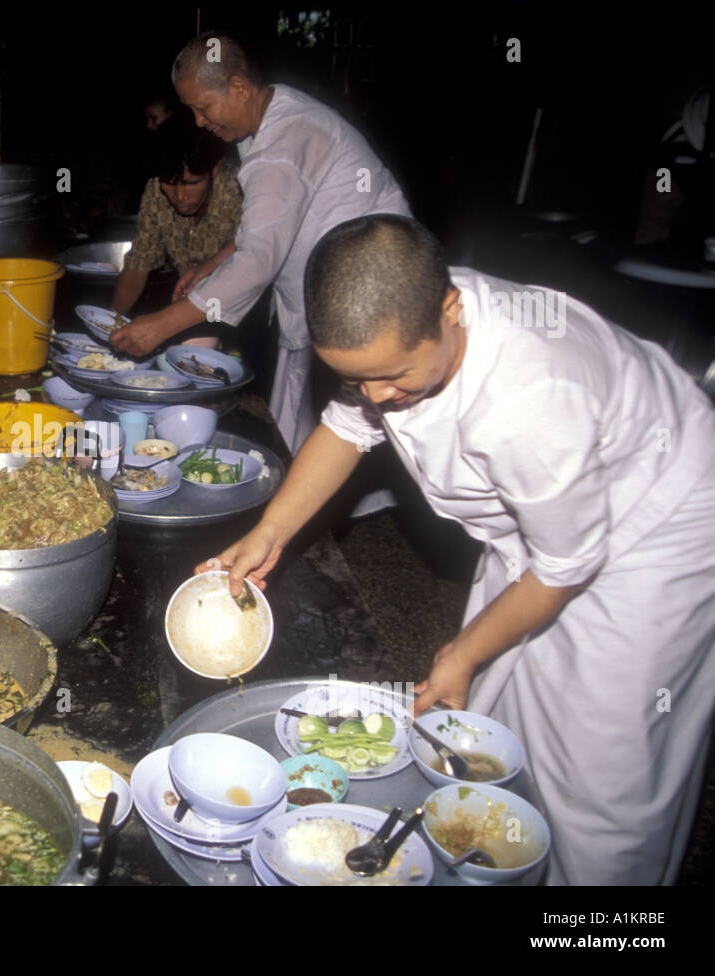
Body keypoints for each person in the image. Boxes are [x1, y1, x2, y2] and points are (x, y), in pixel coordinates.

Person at [203, 214, 715, 885]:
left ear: (451, 310)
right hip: (552, 519)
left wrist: (459, 651)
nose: (379, 398)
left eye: (395, 377)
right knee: (495, 724)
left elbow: (564, 567)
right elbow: (347, 429)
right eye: (361, 382)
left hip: (660, 529)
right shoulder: (404, 320)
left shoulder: (533, 397)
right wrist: (270, 530)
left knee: (603, 768)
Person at [110, 32, 410, 469]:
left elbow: (257, 260)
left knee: (352, 425)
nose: (197, 121)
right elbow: (268, 223)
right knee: (306, 422)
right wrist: (214, 264)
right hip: (333, 282)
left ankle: (313, 513)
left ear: (238, 88)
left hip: (371, 287)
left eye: (202, 107)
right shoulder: (275, 111)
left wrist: (162, 325)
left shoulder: (281, 146)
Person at [110, 117, 242, 348]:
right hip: (189, 310)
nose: (180, 196)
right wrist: (112, 324)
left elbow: (255, 246)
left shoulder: (238, 187)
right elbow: (139, 264)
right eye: (170, 184)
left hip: (243, 311)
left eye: (192, 183)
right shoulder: (155, 191)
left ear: (215, 168)